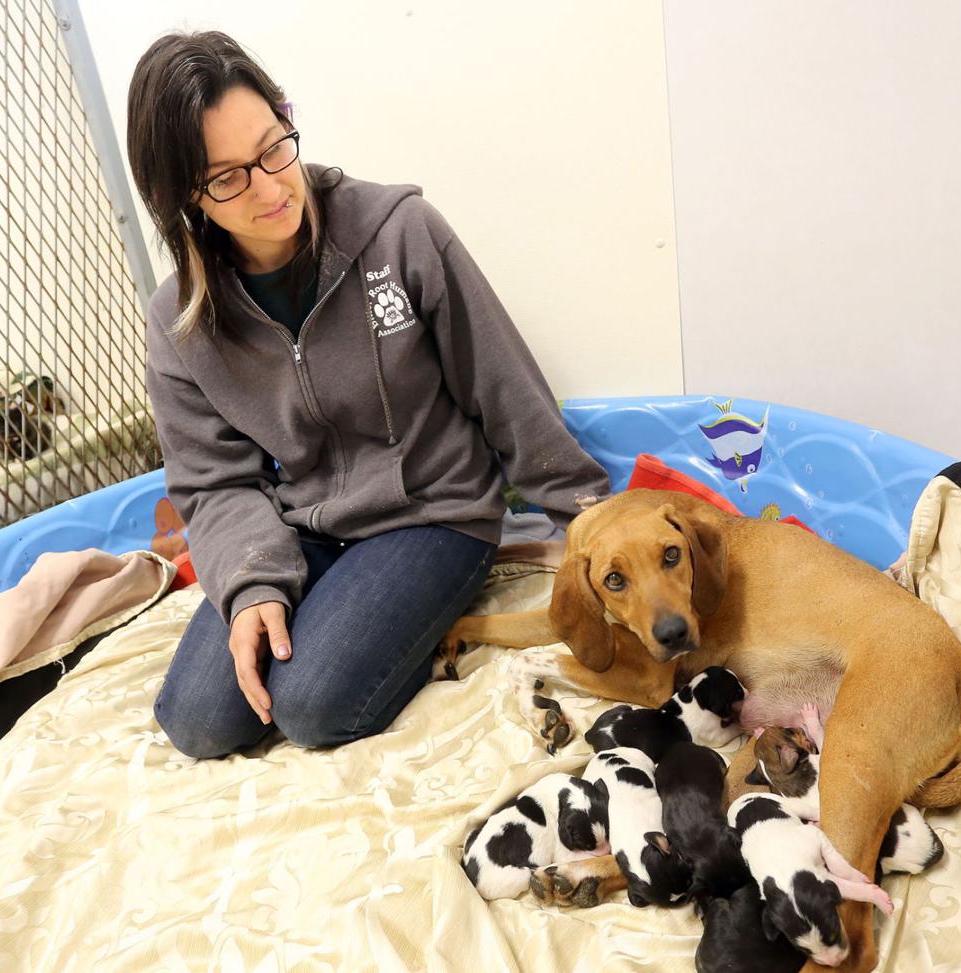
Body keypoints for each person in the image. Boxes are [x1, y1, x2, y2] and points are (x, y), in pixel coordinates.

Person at [126, 31, 609, 759]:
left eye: (273, 147)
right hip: (307, 526)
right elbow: (214, 481)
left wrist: (589, 519)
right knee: (198, 719)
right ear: (180, 197)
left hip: (434, 514)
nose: (268, 187)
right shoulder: (180, 321)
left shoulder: (400, 232)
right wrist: (254, 585)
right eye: (226, 177)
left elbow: (503, 384)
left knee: (313, 708)